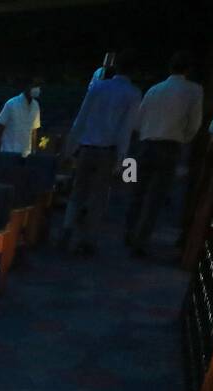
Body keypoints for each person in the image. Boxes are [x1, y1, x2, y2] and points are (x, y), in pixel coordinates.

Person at [59, 50, 141, 256]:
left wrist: (70, 149)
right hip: (107, 151)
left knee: (78, 193)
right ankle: (87, 241)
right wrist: (120, 160)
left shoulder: (97, 87)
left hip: (87, 147)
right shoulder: (132, 94)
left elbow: (81, 118)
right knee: (98, 199)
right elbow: (125, 129)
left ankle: (67, 230)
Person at [125, 51, 203, 256]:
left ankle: (129, 232)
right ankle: (140, 240)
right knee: (155, 197)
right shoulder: (194, 91)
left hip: (146, 143)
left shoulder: (154, 90)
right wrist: (184, 139)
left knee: (138, 193)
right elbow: (194, 123)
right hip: (169, 145)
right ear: (188, 70)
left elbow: (138, 120)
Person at [0, 78, 42, 158]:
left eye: (38, 86)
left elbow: (34, 130)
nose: (37, 89)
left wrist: (33, 151)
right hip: (9, 151)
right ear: (26, 87)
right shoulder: (11, 103)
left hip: (27, 153)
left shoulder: (36, 105)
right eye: (34, 86)